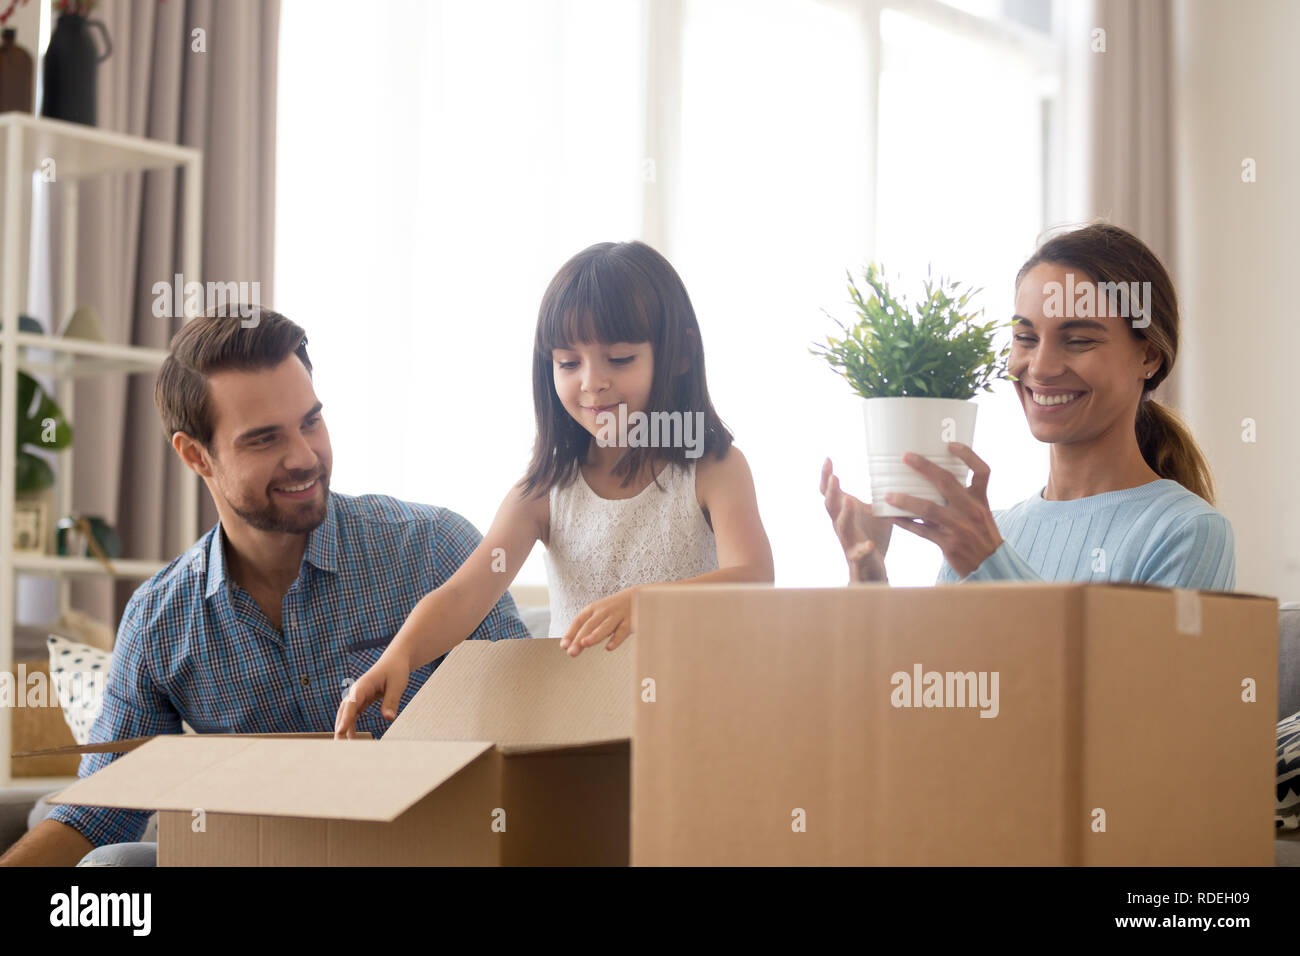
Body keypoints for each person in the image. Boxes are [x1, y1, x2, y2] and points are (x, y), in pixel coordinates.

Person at [0, 307, 529, 868]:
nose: (303, 457)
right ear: (195, 455)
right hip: (262, 859)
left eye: (311, 422)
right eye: (264, 439)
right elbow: (98, 814)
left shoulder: (434, 550)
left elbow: (530, 740)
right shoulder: (160, 620)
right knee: (112, 866)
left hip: (430, 852)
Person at [335, 240, 774, 737]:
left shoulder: (714, 469)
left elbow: (753, 579)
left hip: (698, 720)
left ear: (681, 356)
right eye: (568, 363)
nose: (592, 382)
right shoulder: (543, 493)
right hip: (582, 733)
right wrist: (400, 654)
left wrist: (649, 604)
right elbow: (466, 594)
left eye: (620, 358)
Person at [821, 222, 1235, 590]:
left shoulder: (1187, 531)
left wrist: (989, 562)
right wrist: (869, 578)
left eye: (1078, 340)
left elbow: (1131, 662)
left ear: (1148, 356)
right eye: (1026, 338)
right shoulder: (989, 533)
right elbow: (940, 658)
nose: (1040, 367)